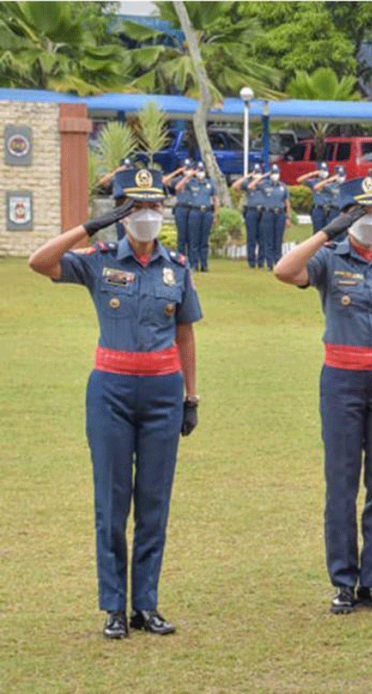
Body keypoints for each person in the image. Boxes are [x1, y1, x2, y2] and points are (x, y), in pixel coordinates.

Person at [27, 166, 202, 640]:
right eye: (135, 206)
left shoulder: (176, 267)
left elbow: (185, 334)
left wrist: (191, 397)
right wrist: (91, 225)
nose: (147, 214)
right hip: (112, 392)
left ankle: (146, 604)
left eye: (153, 205)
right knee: (111, 501)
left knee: (153, 503)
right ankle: (113, 608)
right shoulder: (99, 261)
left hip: (163, 393)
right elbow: (40, 262)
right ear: (120, 213)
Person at [272, 176, 372, 615]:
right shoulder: (327, 259)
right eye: (363, 212)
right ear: (345, 216)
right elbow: (284, 271)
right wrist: (328, 232)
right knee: (341, 483)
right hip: (342, 381)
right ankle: (343, 580)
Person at [251, 164, 291, 270]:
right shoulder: (265, 185)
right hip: (268, 213)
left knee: (278, 239)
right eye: (273, 173)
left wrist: (288, 217)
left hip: (280, 214)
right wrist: (263, 176)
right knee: (268, 239)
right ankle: (269, 264)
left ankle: (278, 262)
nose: (275, 175)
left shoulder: (282, 186)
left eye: (277, 173)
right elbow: (251, 186)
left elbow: (287, 202)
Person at [179, 162, 217, 272]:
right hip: (194, 211)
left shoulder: (209, 183)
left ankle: (204, 264)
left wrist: (215, 214)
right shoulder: (191, 182)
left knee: (204, 240)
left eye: (202, 171)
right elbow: (179, 187)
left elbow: (215, 199)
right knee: (193, 240)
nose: (201, 173)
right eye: (199, 171)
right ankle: (194, 264)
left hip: (207, 212)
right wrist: (189, 175)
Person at [231, 163, 264, 268]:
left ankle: (261, 261)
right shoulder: (248, 183)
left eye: (258, 173)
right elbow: (235, 186)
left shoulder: (265, 183)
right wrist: (247, 176)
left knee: (262, 238)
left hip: (263, 211)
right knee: (251, 238)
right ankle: (251, 262)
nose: (257, 175)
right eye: (255, 173)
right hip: (251, 211)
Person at [299, 162, 331, 235]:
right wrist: (312, 174)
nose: (324, 172)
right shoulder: (314, 182)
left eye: (325, 170)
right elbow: (300, 180)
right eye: (322, 170)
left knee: (329, 233)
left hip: (329, 210)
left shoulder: (331, 181)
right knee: (317, 232)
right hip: (318, 209)